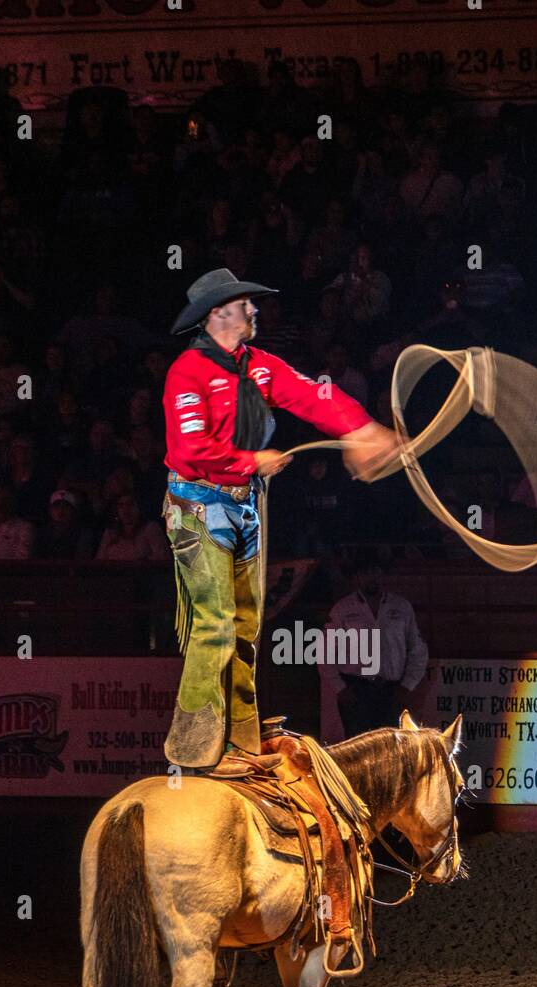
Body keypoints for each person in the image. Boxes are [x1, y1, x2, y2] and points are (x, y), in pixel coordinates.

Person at [161, 267, 396, 774]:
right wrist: (252, 462)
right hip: (199, 508)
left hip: (244, 505)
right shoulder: (187, 373)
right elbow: (190, 448)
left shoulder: (258, 366)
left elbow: (313, 395)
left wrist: (362, 429)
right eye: (245, 304)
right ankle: (194, 738)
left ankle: (241, 738)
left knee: (246, 625)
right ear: (218, 314)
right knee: (215, 622)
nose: (254, 310)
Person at [320, 552, 429, 737]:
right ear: (356, 578)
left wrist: (407, 685)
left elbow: (418, 650)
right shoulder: (342, 609)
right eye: (366, 573)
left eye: (376, 572)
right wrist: (340, 688)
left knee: (391, 748)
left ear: (383, 575)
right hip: (356, 691)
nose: (372, 578)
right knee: (357, 750)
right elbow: (325, 651)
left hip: (392, 690)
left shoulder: (401, 607)